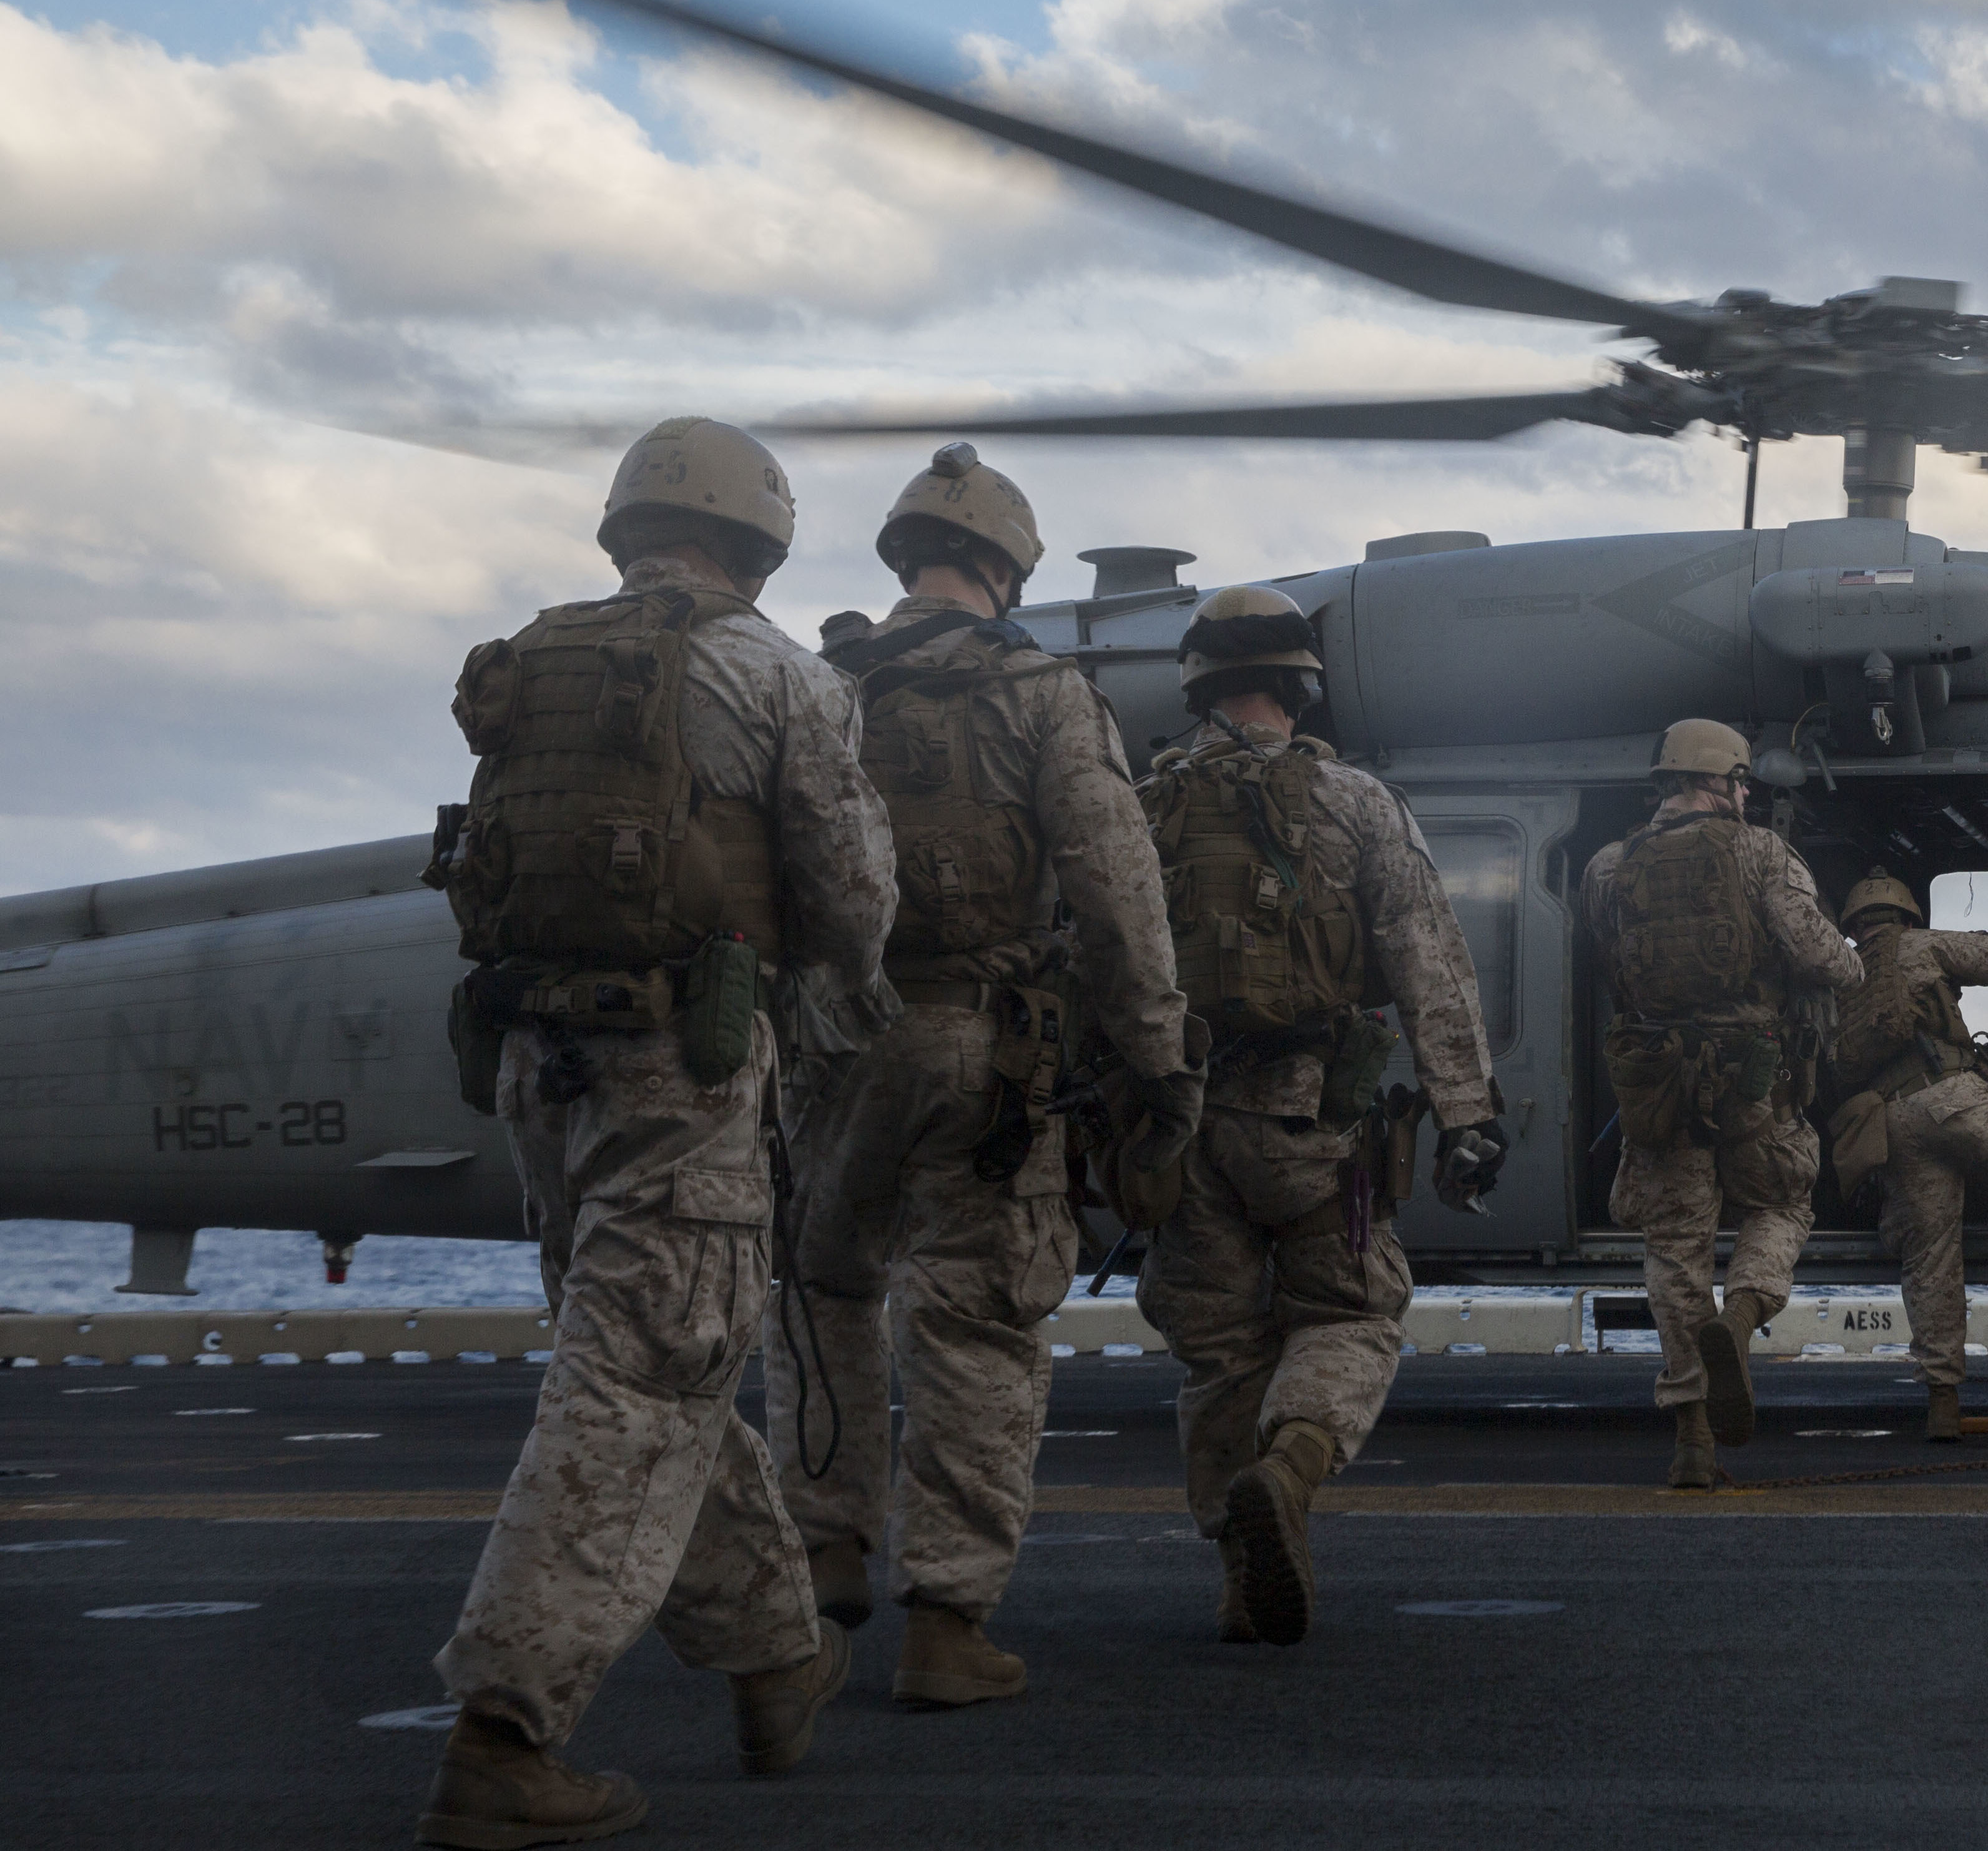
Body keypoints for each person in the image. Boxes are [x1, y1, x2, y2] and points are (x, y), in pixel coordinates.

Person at [415, 418, 898, 1847]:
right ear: (760, 542)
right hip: (678, 1065)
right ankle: (506, 1728)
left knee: (661, 1359)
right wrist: (834, 995)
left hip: (535, 1068)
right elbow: (854, 892)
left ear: (624, 528)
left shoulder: (532, 658)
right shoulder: (780, 675)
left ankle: (774, 1655)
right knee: (636, 1382)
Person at [763, 445, 1202, 1707]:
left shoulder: (815, 683)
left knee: (819, 1282)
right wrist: (1161, 1063)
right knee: (976, 1320)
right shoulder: (1046, 692)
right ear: (1008, 570)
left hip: (829, 1042)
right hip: (986, 1046)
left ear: (904, 560)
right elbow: (1122, 900)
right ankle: (948, 1623)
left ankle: (829, 1537)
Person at [1134, 584, 1502, 1648]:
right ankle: (1290, 1466)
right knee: (1350, 1311)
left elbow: (1094, 962)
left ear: (1196, 682)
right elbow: (1429, 960)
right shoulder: (1355, 800)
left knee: (1215, 1350)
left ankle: (1237, 1572)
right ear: (1302, 684)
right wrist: (1466, 1111)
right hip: (1311, 1122)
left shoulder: (1143, 803)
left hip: (1181, 1124)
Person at [1581, 719, 1861, 1488]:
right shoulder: (1761, 851)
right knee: (1785, 1202)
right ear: (1725, 783)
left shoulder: (1609, 866)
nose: (1746, 795)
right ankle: (1740, 1317)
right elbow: (1815, 952)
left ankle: (1692, 1440)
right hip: (1752, 1080)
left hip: (1658, 1085)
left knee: (1676, 1252)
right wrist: (1852, 969)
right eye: (1743, 784)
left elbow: (1613, 960)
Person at [1827, 872, 1988, 1443]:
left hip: (1888, 1121)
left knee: (1930, 1259)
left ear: (1854, 926)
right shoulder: (1923, 946)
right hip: (1950, 1097)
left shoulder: (1841, 977)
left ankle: (1942, 1399)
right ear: (1906, 918)